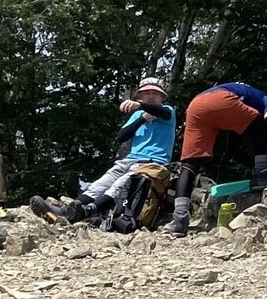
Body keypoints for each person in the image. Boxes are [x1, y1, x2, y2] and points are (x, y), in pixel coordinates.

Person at [29, 77, 176, 227]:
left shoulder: (168, 110)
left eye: (154, 93)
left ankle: (87, 212)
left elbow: (162, 113)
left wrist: (140, 106)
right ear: (141, 95)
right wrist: (142, 118)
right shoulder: (138, 115)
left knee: (120, 185)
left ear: (162, 97)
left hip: (152, 162)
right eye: (147, 93)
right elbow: (122, 136)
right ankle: (68, 209)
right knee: (101, 183)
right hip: (130, 159)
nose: (151, 96)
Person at [169, 82, 267, 236]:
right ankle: (261, 174)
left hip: (196, 104)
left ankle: (179, 220)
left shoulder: (241, 110)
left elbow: (232, 151)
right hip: (220, 99)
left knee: (190, 165)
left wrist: (252, 167)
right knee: (261, 122)